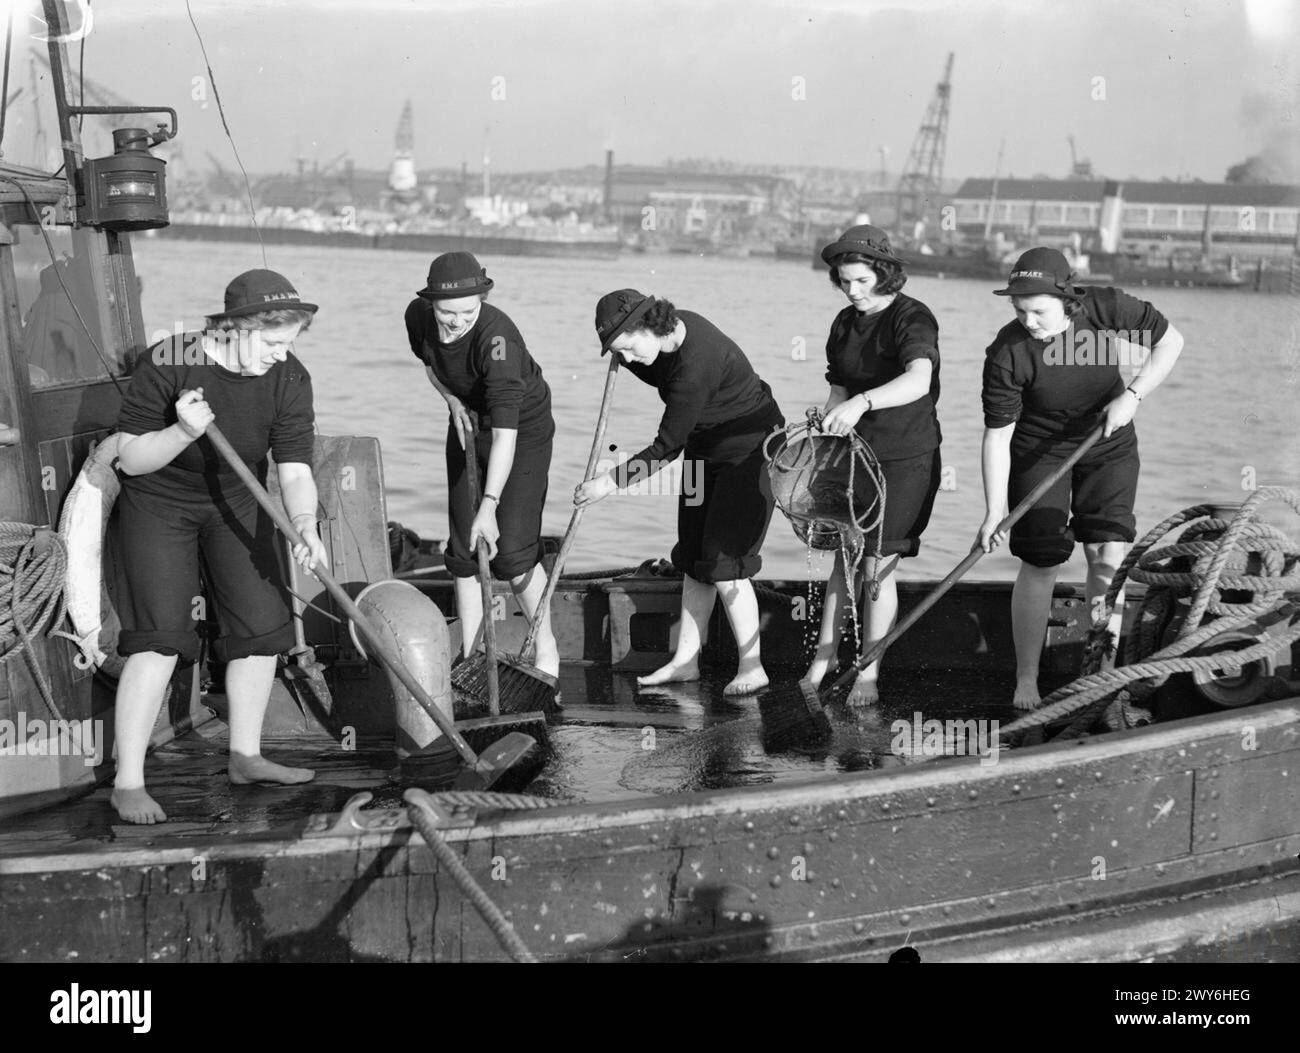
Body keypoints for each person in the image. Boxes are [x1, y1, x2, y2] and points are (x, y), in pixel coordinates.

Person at [111, 270, 328, 824]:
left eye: (290, 344)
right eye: (274, 343)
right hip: (159, 500)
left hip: (236, 496)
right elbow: (130, 459)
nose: (282, 356)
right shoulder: (170, 358)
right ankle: (128, 782)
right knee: (159, 636)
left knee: (260, 627)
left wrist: (305, 525)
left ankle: (246, 757)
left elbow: (295, 466)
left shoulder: (288, 378)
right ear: (234, 327)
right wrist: (182, 431)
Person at [977, 247, 1185, 709]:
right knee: (1041, 559)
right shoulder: (1008, 351)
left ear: (1067, 299)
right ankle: (1027, 679)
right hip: (1041, 451)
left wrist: (1133, 394)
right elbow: (997, 436)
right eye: (1019, 310)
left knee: (1105, 550)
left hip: (1107, 441)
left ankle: (1101, 669)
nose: (1029, 321)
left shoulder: (1105, 308)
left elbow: (1171, 342)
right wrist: (995, 511)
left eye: (1038, 311)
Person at [574, 290, 784, 696]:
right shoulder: (657, 341)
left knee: (726, 562)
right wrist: (621, 351)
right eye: (620, 353)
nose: (629, 360)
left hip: (750, 451)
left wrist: (608, 483)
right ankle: (685, 662)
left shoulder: (694, 365)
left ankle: (753, 667)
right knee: (692, 559)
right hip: (704, 448)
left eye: (630, 348)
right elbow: (642, 362)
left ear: (650, 325)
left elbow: (666, 448)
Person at [806, 224, 944, 705]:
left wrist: (863, 403)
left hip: (906, 456)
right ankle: (821, 662)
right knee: (843, 559)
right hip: (852, 455)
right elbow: (838, 388)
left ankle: (868, 670)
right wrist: (827, 419)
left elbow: (918, 380)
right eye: (844, 281)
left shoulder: (913, 318)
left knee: (878, 562)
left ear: (885, 274)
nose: (852, 291)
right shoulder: (844, 323)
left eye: (862, 281)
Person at [404, 252, 559, 678]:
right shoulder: (416, 316)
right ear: (430, 303)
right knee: (462, 549)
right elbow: (430, 366)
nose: (456, 322)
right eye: (447, 312)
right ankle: (471, 657)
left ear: (483, 301)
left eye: (468, 312)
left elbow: (506, 435)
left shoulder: (498, 341)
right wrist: (451, 400)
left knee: (512, 554)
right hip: (467, 420)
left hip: (521, 431)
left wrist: (490, 505)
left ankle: (547, 654)